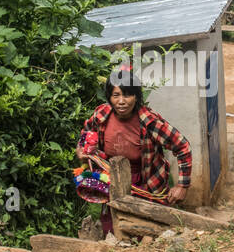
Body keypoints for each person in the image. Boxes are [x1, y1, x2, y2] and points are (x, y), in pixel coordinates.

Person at [77, 65, 192, 234]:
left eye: (127, 94)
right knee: (112, 228)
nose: (121, 101)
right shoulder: (101, 115)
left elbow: (182, 146)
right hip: (112, 179)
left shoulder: (149, 122)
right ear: (109, 97)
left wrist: (183, 185)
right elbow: (86, 131)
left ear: (136, 97)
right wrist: (81, 148)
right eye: (116, 95)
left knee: (148, 230)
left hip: (146, 183)